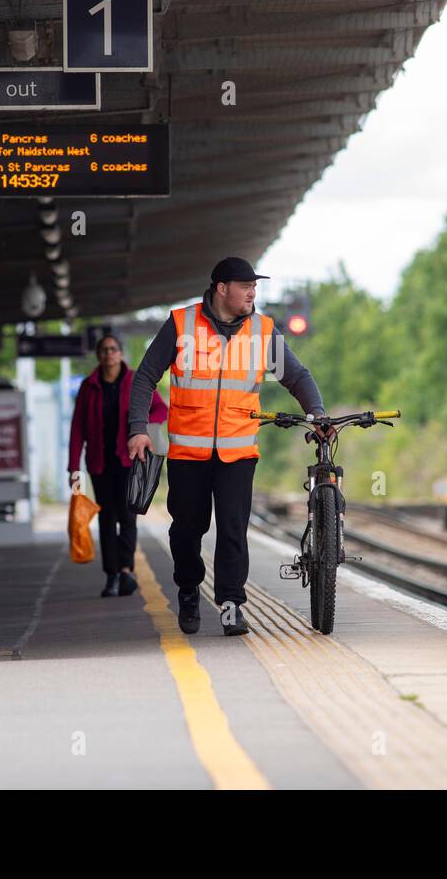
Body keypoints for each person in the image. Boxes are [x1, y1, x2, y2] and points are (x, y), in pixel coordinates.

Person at [126, 257, 331, 637]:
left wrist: (316, 413)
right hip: (188, 453)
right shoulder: (181, 325)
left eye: (255, 285)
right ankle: (188, 591)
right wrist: (138, 429)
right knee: (187, 530)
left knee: (233, 530)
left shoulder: (263, 332)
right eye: (245, 285)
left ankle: (232, 604)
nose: (253, 291)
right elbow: (145, 377)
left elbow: (296, 376)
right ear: (222, 288)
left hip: (238, 452)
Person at [69, 334, 169, 597]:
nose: (108, 354)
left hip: (130, 460)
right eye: (103, 350)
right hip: (100, 463)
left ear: (120, 353)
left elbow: (161, 409)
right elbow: (77, 428)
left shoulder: (136, 380)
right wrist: (73, 468)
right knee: (106, 518)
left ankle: (125, 570)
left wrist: (145, 428)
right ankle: (111, 575)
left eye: (113, 349)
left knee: (127, 516)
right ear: (99, 355)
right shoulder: (88, 386)